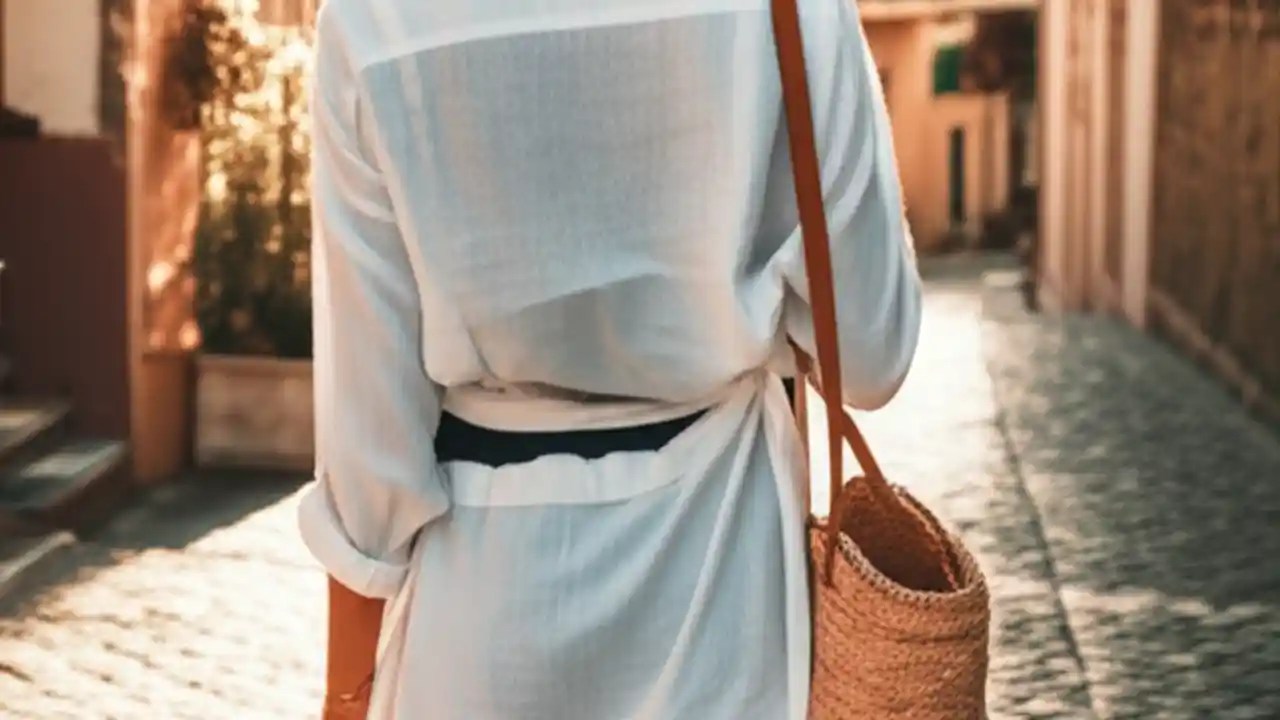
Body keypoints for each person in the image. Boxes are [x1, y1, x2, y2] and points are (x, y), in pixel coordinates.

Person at [297, 0, 921, 717]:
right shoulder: (792, 10)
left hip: (481, 616)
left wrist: (346, 692)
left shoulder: (369, 19)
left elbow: (369, 435)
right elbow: (874, 354)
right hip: (722, 588)